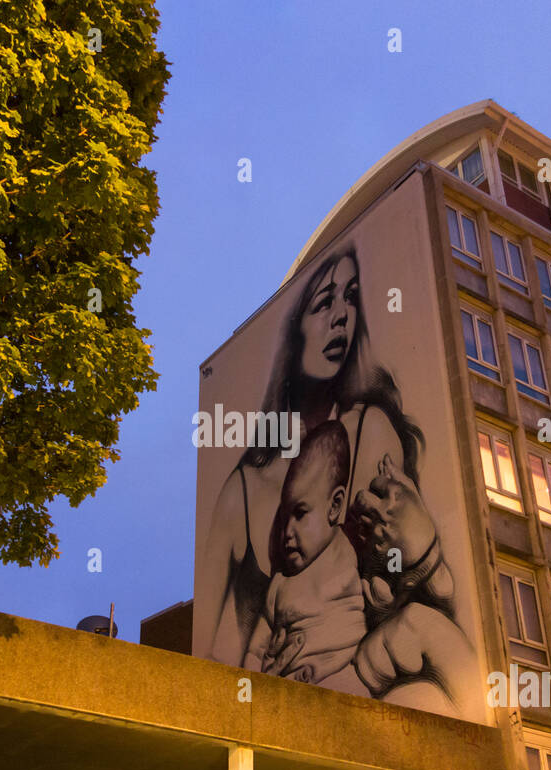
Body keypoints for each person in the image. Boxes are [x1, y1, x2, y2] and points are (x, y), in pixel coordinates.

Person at [200, 245, 468, 713]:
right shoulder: (241, 491)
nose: (342, 315)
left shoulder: (369, 432)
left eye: (351, 297)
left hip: (367, 694)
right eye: (324, 301)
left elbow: (404, 596)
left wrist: (417, 557)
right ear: (291, 332)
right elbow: (216, 656)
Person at [243, 421, 366, 694]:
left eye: (300, 514)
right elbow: (256, 647)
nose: (287, 531)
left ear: (335, 506)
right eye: (285, 516)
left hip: (342, 683)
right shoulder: (280, 585)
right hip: (288, 689)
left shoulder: (346, 555)